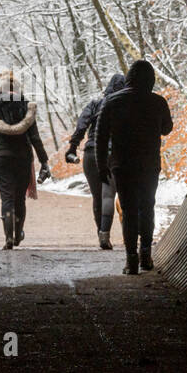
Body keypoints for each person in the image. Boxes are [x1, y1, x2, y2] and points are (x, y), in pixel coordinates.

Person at [94, 60, 173, 274]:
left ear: (128, 77)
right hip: (149, 164)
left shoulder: (111, 102)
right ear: (151, 79)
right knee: (147, 207)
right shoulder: (158, 102)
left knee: (129, 211)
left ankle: (131, 260)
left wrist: (102, 165)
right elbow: (167, 129)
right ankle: (146, 255)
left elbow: (100, 137)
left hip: (122, 165)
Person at [0, 70, 51, 249]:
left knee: (6, 197)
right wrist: (44, 161)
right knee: (19, 199)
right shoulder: (26, 105)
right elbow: (35, 137)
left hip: (2, 157)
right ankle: (17, 234)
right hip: (23, 156)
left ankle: (8, 236)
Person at [64, 73, 126, 249]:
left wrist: (72, 148)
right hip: (117, 153)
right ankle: (129, 235)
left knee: (99, 196)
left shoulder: (95, 104)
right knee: (120, 195)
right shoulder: (126, 105)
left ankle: (102, 234)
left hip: (92, 152)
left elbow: (81, 126)